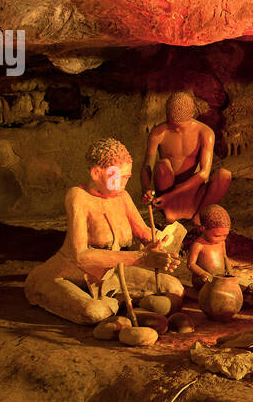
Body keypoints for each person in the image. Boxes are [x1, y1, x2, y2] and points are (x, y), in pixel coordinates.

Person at [25, 138, 181, 324]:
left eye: (126, 178)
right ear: (96, 173)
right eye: (117, 177)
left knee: (174, 288)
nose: (123, 184)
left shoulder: (122, 197)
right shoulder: (78, 197)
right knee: (95, 312)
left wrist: (161, 242)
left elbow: (147, 235)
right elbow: (81, 256)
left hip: (111, 274)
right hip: (68, 276)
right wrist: (140, 258)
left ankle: (118, 304)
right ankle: (116, 305)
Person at [141, 92, 232, 223]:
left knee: (224, 175)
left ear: (191, 117)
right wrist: (146, 188)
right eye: (172, 124)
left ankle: (198, 213)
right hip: (168, 189)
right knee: (162, 165)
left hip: (192, 191)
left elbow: (204, 174)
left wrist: (171, 195)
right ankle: (170, 211)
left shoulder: (205, 133)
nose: (175, 129)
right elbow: (147, 166)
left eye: (179, 126)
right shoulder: (158, 133)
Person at [185, 204, 233, 287]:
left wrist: (229, 270)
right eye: (217, 236)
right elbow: (190, 264)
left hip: (219, 278)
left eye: (225, 235)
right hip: (203, 280)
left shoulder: (221, 243)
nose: (222, 239)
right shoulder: (198, 245)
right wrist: (203, 274)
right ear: (203, 229)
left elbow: (225, 257)